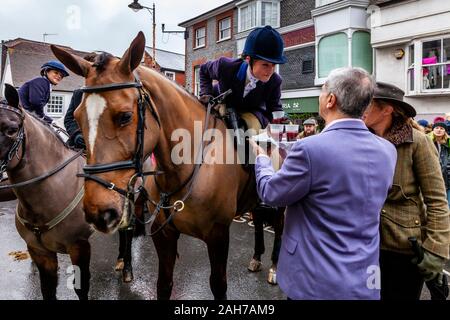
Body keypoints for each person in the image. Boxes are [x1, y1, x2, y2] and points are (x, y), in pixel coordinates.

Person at [250, 67, 397, 299]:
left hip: (315, 283)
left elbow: (270, 193)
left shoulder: (309, 149)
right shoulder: (388, 150)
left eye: (322, 90)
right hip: (364, 280)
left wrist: (262, 159)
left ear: (330, 100)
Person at [362, 81, 450, 300]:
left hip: (403, 250)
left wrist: (435, 251)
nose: (360, 108)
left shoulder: (417, 142)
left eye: (367, 103)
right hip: (366, 247)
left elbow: (437, 201)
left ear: (387, 109)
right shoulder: (361, 140)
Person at [199, 25, 286, 131]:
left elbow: (274, 109)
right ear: (248, 59)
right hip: (222, 104)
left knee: (252, 130)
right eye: (265, 65)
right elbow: (203, 70)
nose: (271, 71)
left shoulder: (275, 81)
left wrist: (281, 122)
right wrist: (206, 94)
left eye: (274, 65)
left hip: (249, 114)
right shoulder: (225, 66)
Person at [428, 122, 450, 207]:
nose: (439, 130)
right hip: (432, 177)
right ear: (433, 130)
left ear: (445, 131)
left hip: (447, 178)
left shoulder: (448, 143)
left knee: (447, 204)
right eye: (437, 128)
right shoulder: (426, 141)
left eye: (442, 128)